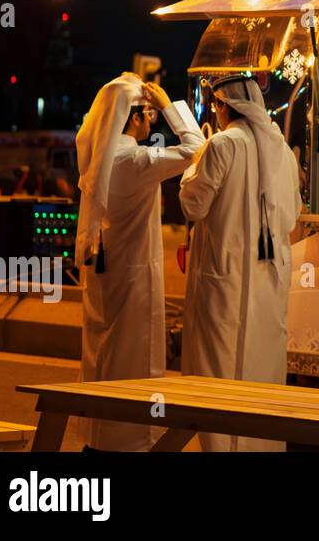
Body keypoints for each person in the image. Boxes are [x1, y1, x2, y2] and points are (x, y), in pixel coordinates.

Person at [76, 74, 204, 451]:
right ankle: (127, 442)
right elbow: (195, 148)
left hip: (104, 273)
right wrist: (169, 106)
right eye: (147, 114)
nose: (151, 121)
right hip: (133, 277)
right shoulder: (135, 159)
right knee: (132, 362)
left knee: (101, 355)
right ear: (132, 119)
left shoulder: (97, 158)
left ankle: (97, 439)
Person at [179, 73, 302, 452]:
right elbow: (293, 214)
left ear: (221, 107)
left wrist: (197, 156)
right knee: (260, 370)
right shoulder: (280, 147)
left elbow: (192, 204)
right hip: (269, 280)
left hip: (225, 279)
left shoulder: (221, 145)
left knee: (218, 375)